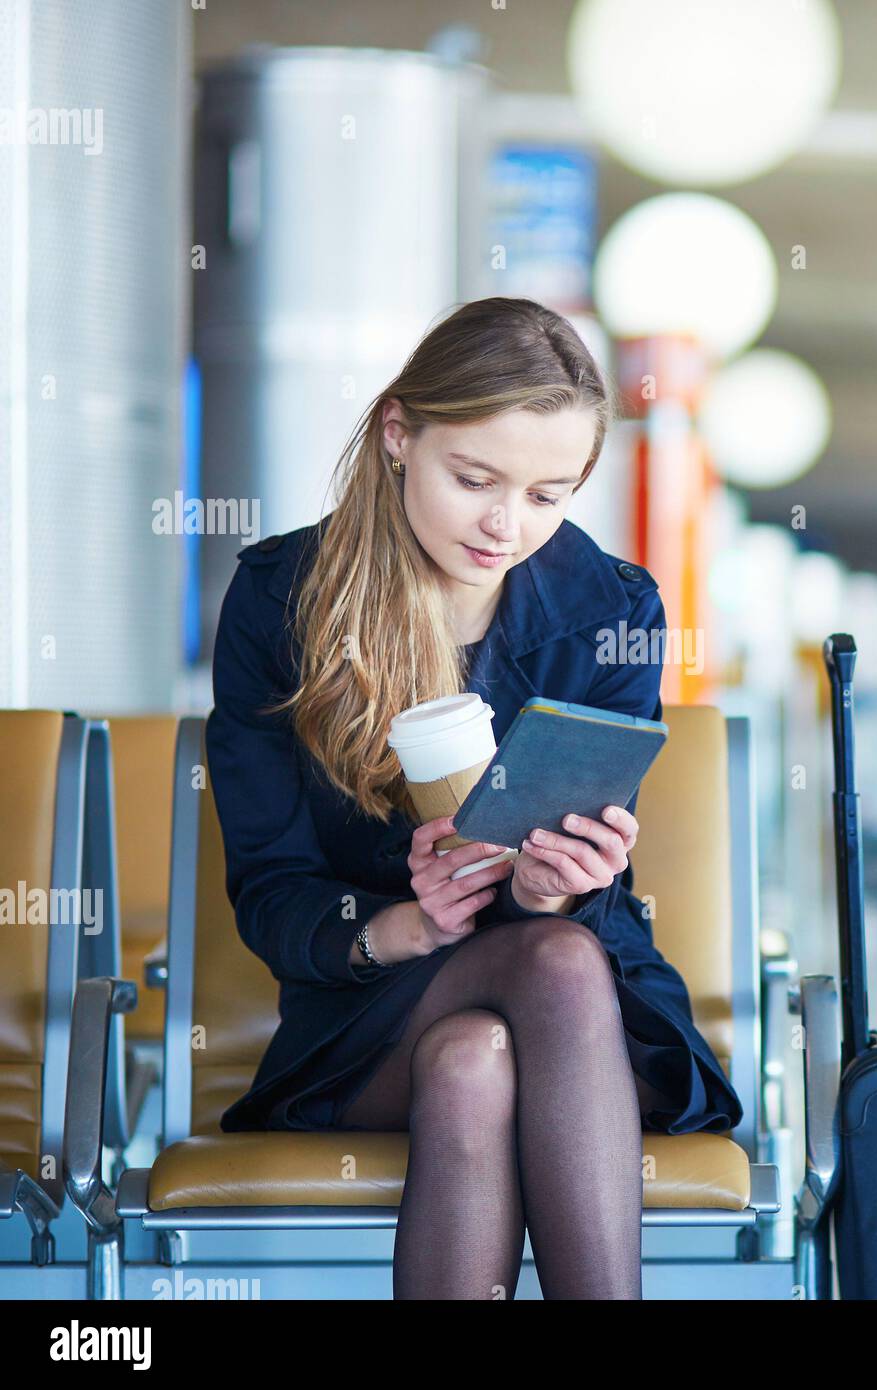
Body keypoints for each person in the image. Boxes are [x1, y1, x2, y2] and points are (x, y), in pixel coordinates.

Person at [206, 296, 743, 1300]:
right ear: (399, 432)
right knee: (548, 973)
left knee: (481, 1052)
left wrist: (558, 887)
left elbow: (585, 881)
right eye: (475, 479)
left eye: (549, 495)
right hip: (365, 1021)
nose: (507, 525)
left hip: (559, 1005)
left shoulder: (611, 610)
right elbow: (272, 888)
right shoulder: (283, 601)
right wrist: (396, 928)